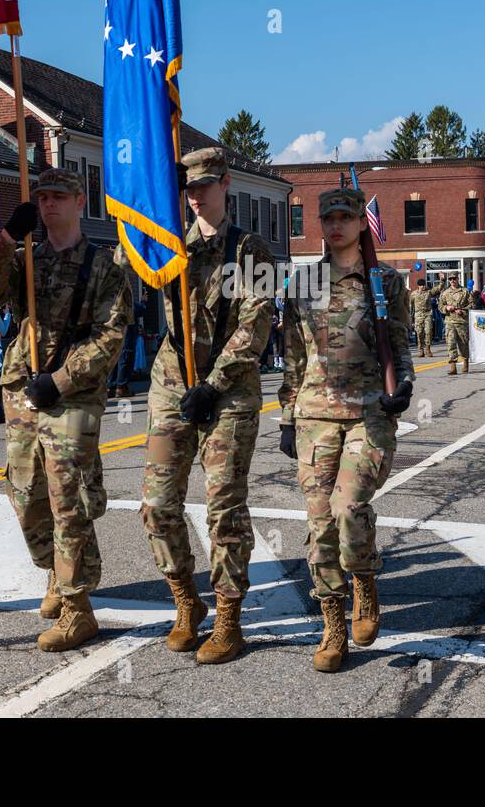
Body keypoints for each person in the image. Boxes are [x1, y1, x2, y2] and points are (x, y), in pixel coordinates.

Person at [0, 166, 131, 652]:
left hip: (72, 395)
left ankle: (77, 606)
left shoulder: (104, 266)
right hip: (21, 387)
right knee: (25, 493)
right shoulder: (27, 260)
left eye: (58, 196)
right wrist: (3, 239)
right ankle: (56, 573)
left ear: (79, 202)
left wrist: (60, 380)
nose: (48, 205)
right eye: (42, 197)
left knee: (68, 498)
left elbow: (111, 336)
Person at [136, 148, 274, 664]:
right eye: (188, 188)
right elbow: (122, 261)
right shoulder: (168, 243)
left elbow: (255, 324)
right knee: (157, 504)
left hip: (228, 390)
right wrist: (153, 207)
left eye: (205, 185)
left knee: (224, 508)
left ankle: (229, 617)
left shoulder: (249, 250)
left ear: (225, 184)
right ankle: (185, 600)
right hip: (171, 383)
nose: (196, 195)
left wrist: (213, 386)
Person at [277, 187, 414, 673]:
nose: (336, 225)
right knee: (319, 525)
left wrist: (405, 389)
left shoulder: (384, 282)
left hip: (369, 413)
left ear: (361, 224)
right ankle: (332, 624)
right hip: (314, 414)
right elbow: (293, 356)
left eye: (345, 217)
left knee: (349, 509)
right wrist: (288, 414)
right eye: (328, 217)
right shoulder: (303, 282)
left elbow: (399, 345)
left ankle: (364, 579)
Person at [108, 288, 147, 394]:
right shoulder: (127, 303)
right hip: (127, 335)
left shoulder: (110, 303)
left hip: (114, 336)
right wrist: (143, 300)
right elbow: (141, 310)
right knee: (125, 360)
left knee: (114, 360)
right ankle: (121, 386)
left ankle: (110, 386)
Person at [439, 273, 473, 374]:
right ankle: (453, 367)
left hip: (461, 322)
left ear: (458, 279)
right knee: (451, 344)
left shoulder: (465, 291)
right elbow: (440, 306)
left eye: (454, 279)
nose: (452, 281)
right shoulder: (445, 293)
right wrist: (446, 308)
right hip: (450, 322)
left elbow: (472, 304)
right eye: (450, 279)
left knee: (463, 344)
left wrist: (463, 311)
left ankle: (465, 364)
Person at [408, 276, 438, 357]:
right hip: (418, 315)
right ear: (418, 286)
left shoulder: (428, 292)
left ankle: (428, 349)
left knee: (428, 332)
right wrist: (411, 318)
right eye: (422, 285)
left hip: (428, 314)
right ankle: (420, 349)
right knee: (419, 333)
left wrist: (442, 281)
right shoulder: (413, 294)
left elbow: (437, 289)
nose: (424, 286)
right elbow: (411, 306)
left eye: (424, 285)